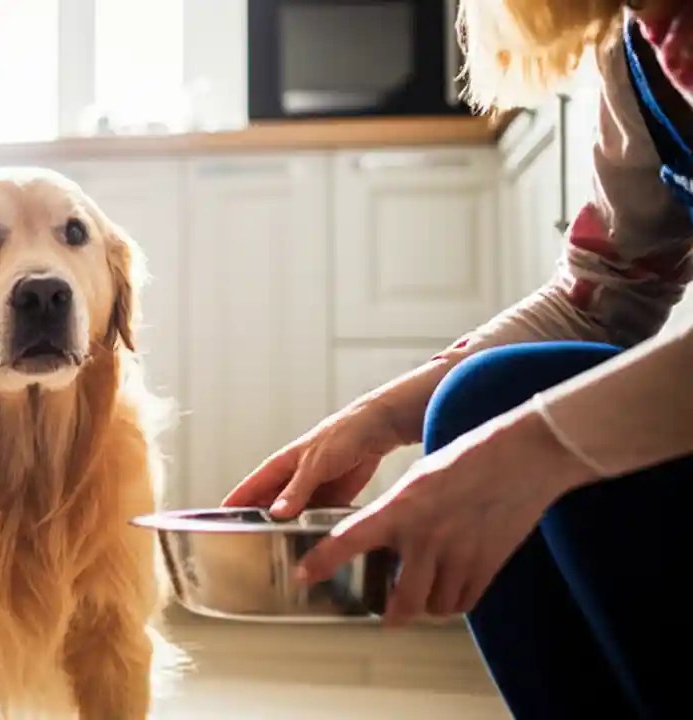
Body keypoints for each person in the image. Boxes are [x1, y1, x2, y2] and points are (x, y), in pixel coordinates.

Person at [223, 1, 693, 718]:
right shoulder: (636, 63)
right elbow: (601, 298)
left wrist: (537, 449)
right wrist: (377, 418)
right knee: (480, 402)